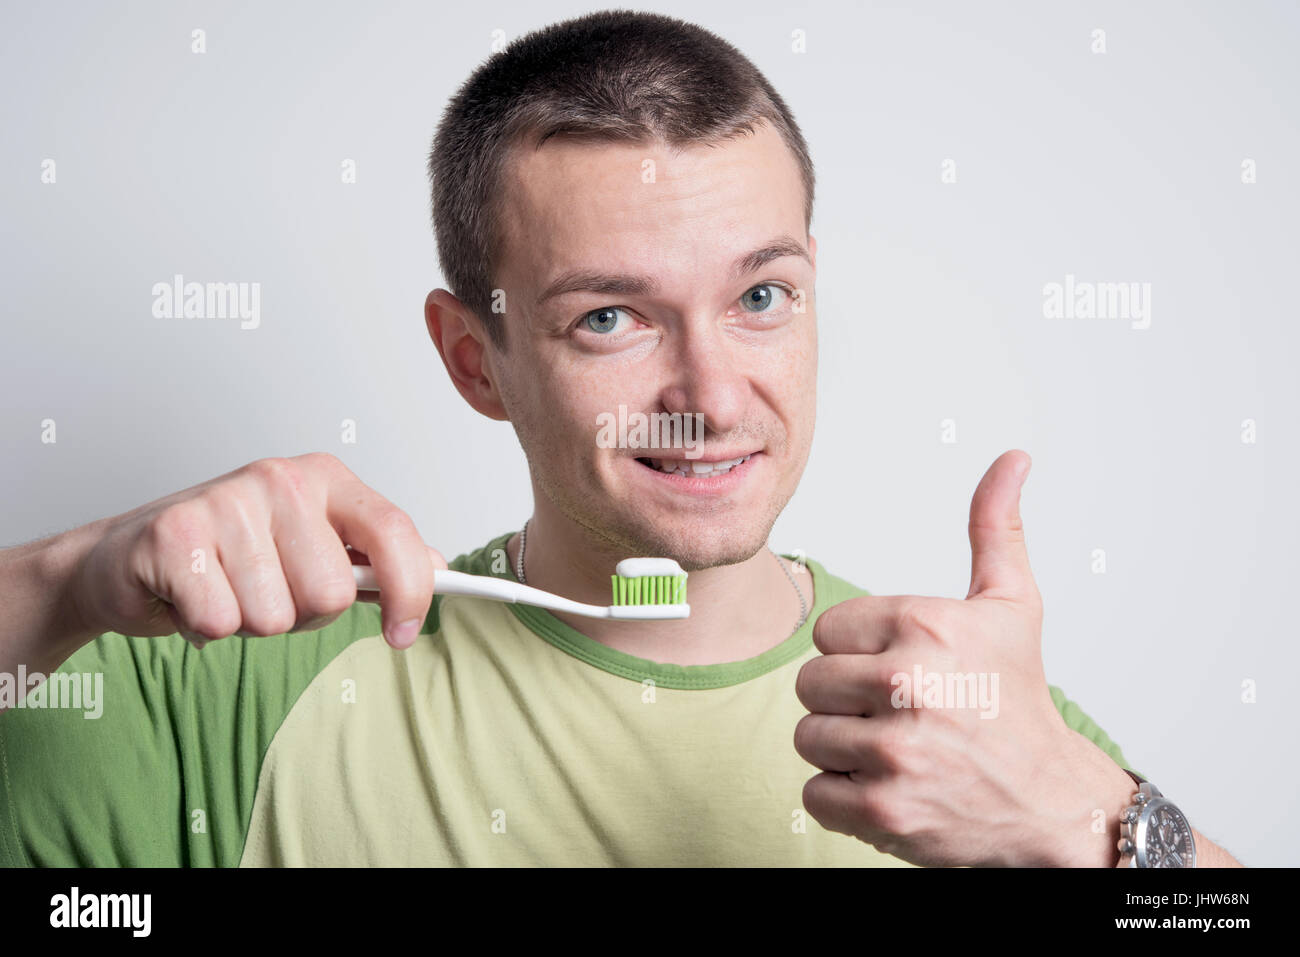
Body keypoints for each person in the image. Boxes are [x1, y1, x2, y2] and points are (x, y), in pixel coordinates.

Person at [0, 9, 1239, 867]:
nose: (713, 393)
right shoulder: (229, 682)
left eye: (761, 295)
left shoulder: (969, 726)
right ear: (475, 361)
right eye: (610, 317)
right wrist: (64, 582)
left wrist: (1083, 819)